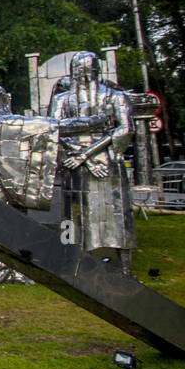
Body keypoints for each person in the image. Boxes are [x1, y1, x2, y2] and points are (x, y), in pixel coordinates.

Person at [49, 52, 137, 273]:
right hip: (75, 164)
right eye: (79, 70)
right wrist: (82, 158)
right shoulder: (62, 100)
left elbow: (125, 128)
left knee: (117, 215)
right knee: (73, 216)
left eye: (88, 69)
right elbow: (54, 129)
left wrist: (86, 155)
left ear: (97, 70)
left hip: (106, 162)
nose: (84, 75)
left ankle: (125, 268)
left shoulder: (116, 97)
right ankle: (71, 262)